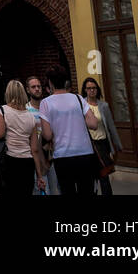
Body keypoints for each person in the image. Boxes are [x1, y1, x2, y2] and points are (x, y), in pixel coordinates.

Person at [39, 66, 98, 196]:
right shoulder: (78, 98)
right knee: (87, 191)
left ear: (50, 83)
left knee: (67, 191)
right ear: (65, 81)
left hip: (63, 155)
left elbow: (47, 135)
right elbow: (93, 124)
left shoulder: (45, 103)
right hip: (85, 153)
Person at [0, 80, 46, 197]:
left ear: (8, 93)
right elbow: (34, 149)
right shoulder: (30, 116)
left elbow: (0, 134)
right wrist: (39, 176)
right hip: (27, 162)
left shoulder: (1, 110)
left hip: (9, 160)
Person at [81, 78, 122, 196]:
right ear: (85, 90)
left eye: (94, 88)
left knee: (103, 175)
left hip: (102, 144)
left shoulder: (104, 106)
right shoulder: (82, 105)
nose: (92, 91)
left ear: (97, 89)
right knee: (91, 176)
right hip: (89, 145)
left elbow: (111, 126)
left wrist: (117, 145)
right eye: (89, 88)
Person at [25, 74, 58, 196]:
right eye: (33, 87)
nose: (37, 89)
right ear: (28, 90)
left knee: (55, 190)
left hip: (51, 154)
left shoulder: (48, 107)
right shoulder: (26, 110)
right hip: (36, 156)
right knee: (43, 189)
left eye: (39, 86)